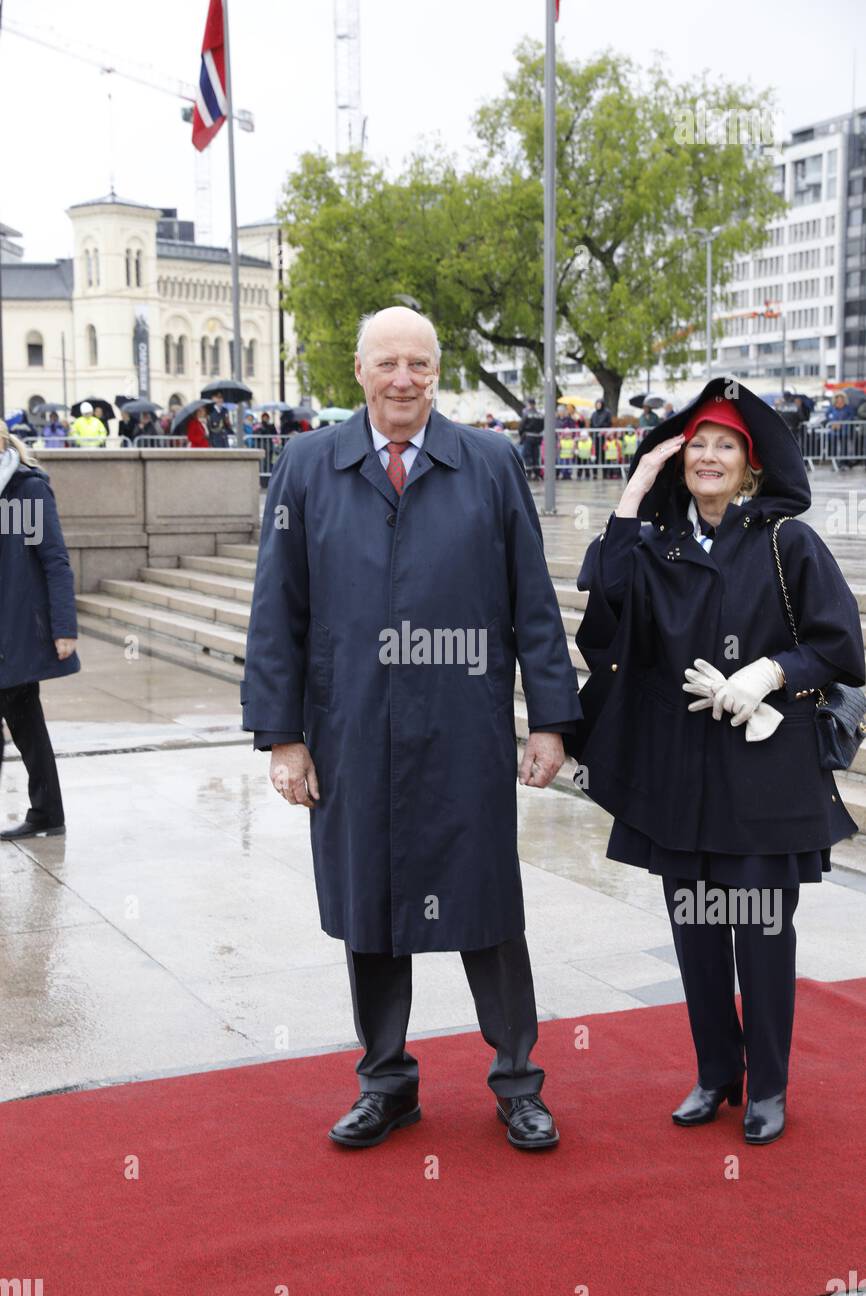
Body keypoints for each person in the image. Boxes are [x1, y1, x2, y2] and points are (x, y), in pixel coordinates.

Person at [242, 305, 582, 1151]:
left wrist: (550, 721)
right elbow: (275, 611)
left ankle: (518, 1082)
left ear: (438, 372)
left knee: (489, 907)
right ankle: (387, 1081)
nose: (403, 380)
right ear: (357, 371)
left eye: (420, 365)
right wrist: (283, 735)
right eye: (387, 363)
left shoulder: (491, 464)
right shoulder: (309, 467)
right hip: (351, 730)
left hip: (462, 730)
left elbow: (533, 607)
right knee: (370, 906)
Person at [568, 380, 865, 1145]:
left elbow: (842, 646)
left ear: (752, 467)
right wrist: (636, 484)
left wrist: (766, 673)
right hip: (679, 770)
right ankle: (714, 1074)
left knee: (761, 932)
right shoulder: (657, 542)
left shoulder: (786, 540)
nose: (708, 457)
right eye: (695, 444)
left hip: (765, 773)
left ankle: (767, 1086)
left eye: (724, 446)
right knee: (696, 932)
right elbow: (606, 609)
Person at [0, 421, 80, 840]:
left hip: (14, 631)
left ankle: (48, 812)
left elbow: (54, 560)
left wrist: (64, 627)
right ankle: (48, 812)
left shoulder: (23, 490)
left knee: (25, 718)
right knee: (27, 722)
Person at [518, 397, 543, 480]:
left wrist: (521, 434)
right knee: (536, 455)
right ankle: (537, 473)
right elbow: (543, 426)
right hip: (537, 437)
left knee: (527, 455)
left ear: (529, 404)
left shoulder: (526, 413)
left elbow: (521, 426)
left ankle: (528, 473)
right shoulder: (540, 414)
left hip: (528, 436)